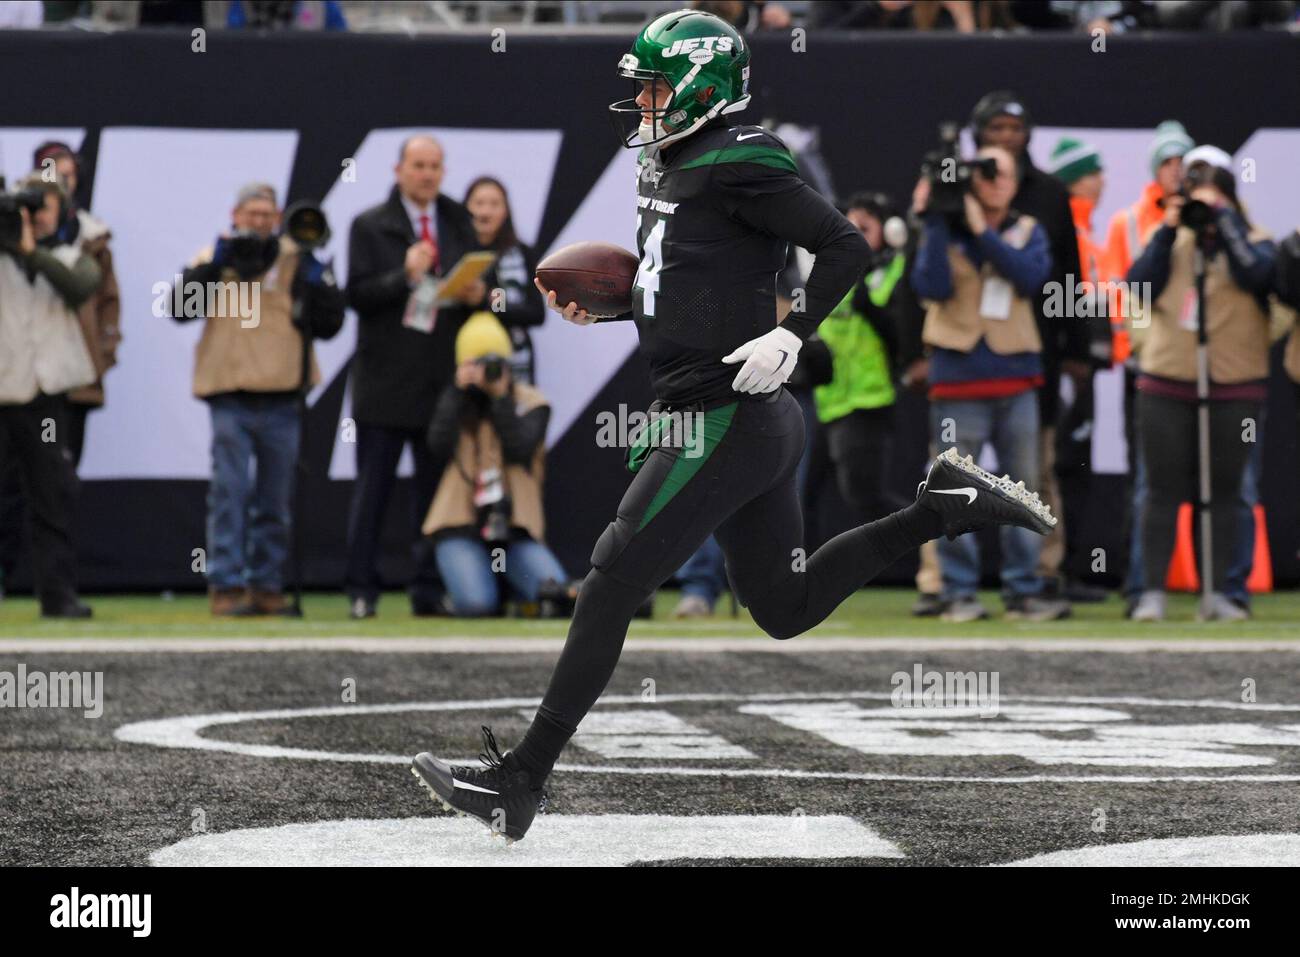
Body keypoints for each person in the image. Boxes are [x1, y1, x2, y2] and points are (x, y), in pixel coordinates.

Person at [411, 9, 1056, 842]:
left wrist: (793, 332)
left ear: (698, 89)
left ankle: (521, 778)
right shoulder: (671, 163)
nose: (639, 100)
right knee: (783, 606)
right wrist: (612, 310)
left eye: (652, 84)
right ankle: (940, 508)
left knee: (610, 578)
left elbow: (846, 246)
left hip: (723, 416)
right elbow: (688, 284)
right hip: (730, 413)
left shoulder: (741, 157)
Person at [910, 146, 1069, 623]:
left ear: (1017, 182)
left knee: (1025, 489)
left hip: (1016, 379)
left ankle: (1023, 590)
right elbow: (931, 286)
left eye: (1003, 173)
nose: (995, 180)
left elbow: (1029, 276)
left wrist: (980, 228)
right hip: (957, 379)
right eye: (985, 172)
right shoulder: (943, 228)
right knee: (954, 489)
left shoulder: (1028, 229)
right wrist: (937, 216)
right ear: (970, 180)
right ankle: (958, 592)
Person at [173, 182, 345, 616]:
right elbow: (179, 308)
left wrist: (317, 276)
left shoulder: (295, 259)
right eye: (252, 213)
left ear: (279, 216)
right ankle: (226, 586)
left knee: (274, 496)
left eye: (267, 214)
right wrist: (215, 265)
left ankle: (267, 584)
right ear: (235, 214)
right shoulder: (214, 256)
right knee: (229, 493)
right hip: (229, 392)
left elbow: (330, 323)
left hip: (283, 394)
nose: (259, 222)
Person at [1125, 147, 1277, 622]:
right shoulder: (1166, 238)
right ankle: (1149, 591)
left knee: (1229, 491)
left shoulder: (1257, 239)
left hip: (1235, 382)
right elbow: (1139, 282)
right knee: (1160, 490)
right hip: (1168, 379)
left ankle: (1226, 592)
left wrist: (1225, 224)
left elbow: (1258, 274)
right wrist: (1172, 228)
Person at [344, 135, 481, 619]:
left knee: (432, 495)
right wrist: (403, 275)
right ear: (398, 169)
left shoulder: (457, 219)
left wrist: (474, 293)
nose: (427, 174)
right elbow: (356, 296)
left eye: (435, 166)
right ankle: (362, 590)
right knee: (372, 493)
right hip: (383, 381)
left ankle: (426, 590)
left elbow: (476, 286)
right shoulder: (369, 226)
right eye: (419, 165)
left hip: (439, 379)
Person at [970, 91, 1097, 607]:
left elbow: (1069, 271)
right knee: (951, 470)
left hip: (1034, 350)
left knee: (1036, 469)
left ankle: (1042, 570)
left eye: (1013, 129)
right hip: (964, 349)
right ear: (978, 135)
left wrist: (1077, 347)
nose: (1005, 138)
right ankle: (943, 581)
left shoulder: (1048, 191)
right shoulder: (957, 187)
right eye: (995, 128)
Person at [0, 173, 100, 617]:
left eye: (45, 209)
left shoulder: (70, 255)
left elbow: (80, 288)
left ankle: (58, 598)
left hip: (44, 397)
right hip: (2, 388)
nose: (36, 217)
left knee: (51, 496)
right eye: (29, 209)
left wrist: (29, 251)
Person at [422, 312, 569, 615]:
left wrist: (500, 398)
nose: (484, 373)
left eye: (492, 364)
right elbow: (436, 447)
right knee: (476, 604)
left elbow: (520, 449)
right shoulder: (456, 401)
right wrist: (457, 392)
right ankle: (490, 591)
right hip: (461, 525)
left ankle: (516, 591)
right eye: (474, 364)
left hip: (514, 529)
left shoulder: (531, 403)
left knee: (555, 595)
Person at [1105, 120, 1193, 615]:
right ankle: (1141, 585)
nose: (1176, 169)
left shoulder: (1207, 215)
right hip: (1149, 364)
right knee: (1147, 478)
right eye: (1168, 161)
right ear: (1156, 169)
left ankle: (1217, 589)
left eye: (1183, 160)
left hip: (1199, 364)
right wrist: (1137, 347)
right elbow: (1125, 291)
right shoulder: (1129, 221)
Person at [462, 176, 545, 385]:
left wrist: (488, 301)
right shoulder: (453, 253)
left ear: (505, 211)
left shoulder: (522, 253)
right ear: (466, 208)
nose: (485, 212)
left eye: (494, 204)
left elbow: (535, 312)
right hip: (462, 364)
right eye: (478, 203)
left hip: (511, 364)